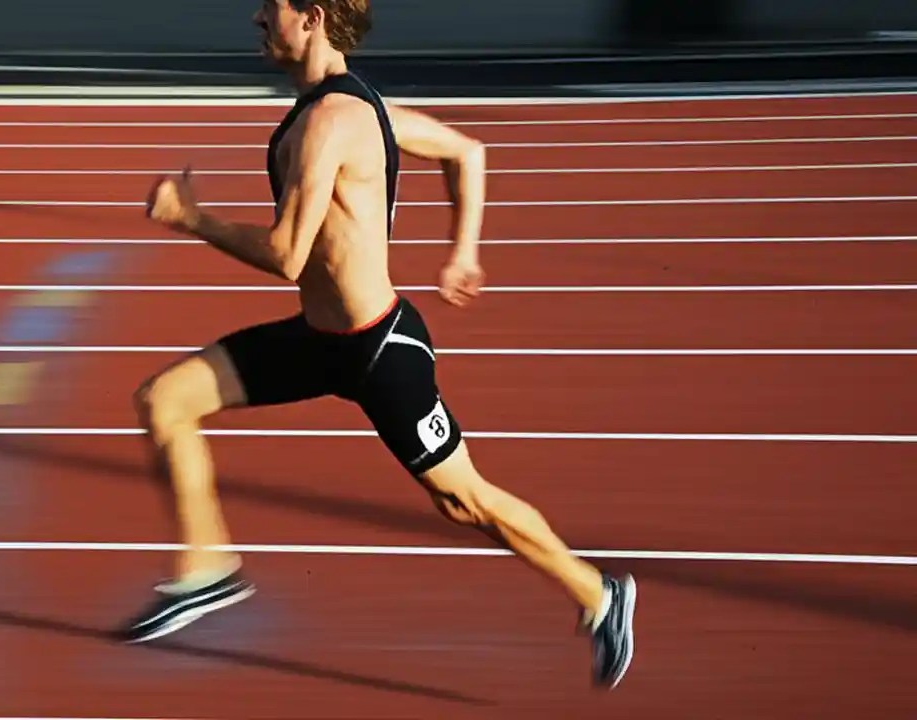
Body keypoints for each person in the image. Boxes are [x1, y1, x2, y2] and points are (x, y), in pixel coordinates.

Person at [124, 0, 637, 690]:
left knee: (463, 500)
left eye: (270, 7)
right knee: (166, 401)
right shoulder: (357, 107)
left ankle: (599, 595)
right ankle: (208, 566)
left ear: (310, 16)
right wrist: (462, 255)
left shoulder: (332, 121)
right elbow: (466, 153)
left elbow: (286, 253)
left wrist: (192, 219)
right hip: (319, 339)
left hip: (376, 350)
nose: (256, 18)